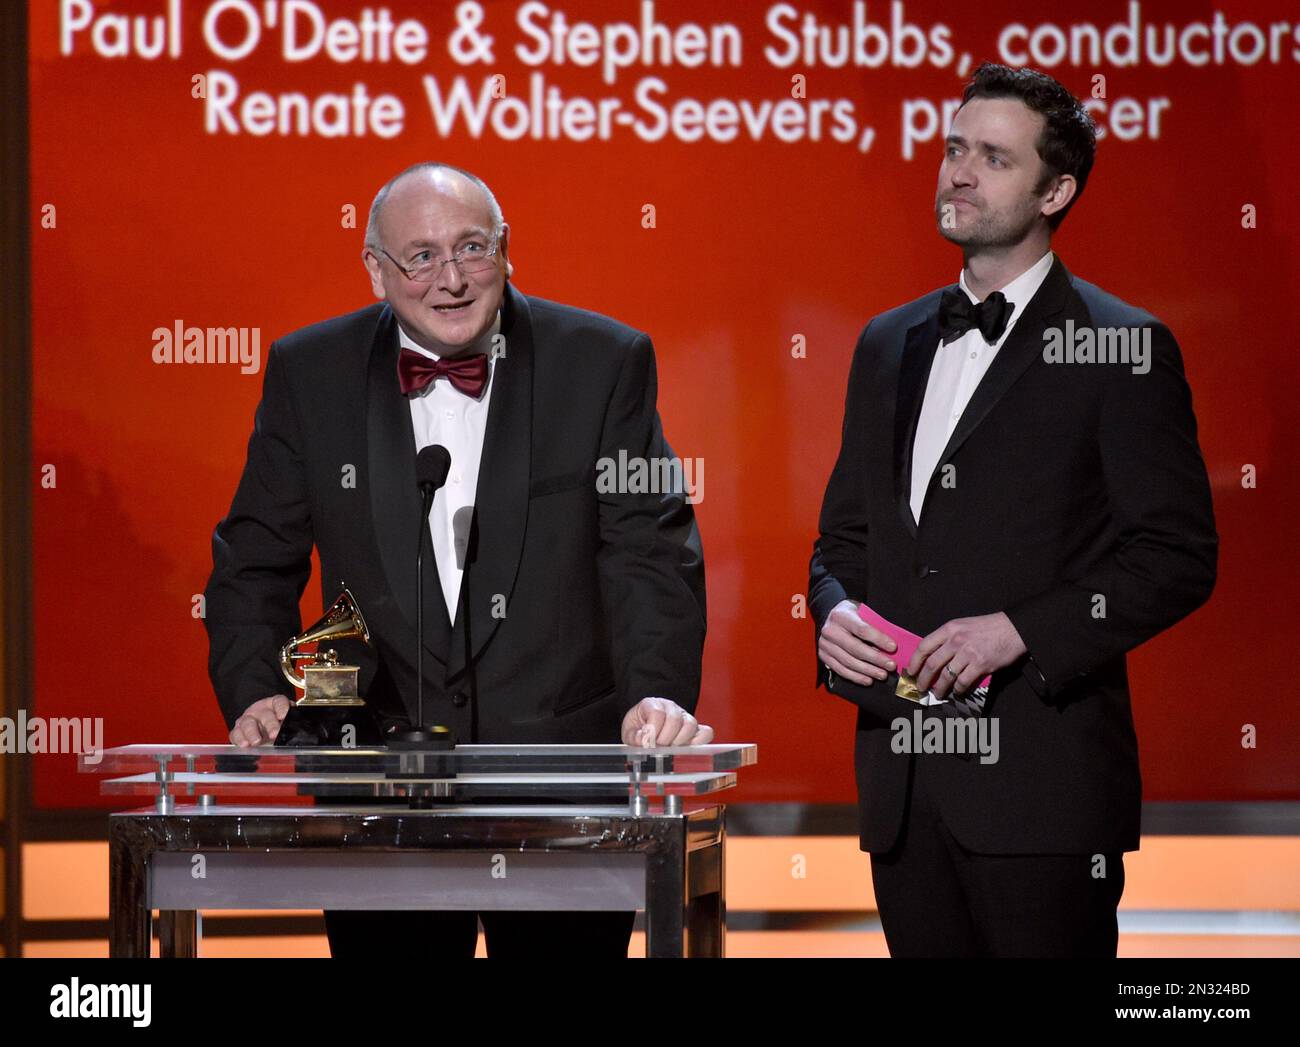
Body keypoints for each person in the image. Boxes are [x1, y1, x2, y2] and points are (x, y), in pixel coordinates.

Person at [203, 162, 711, 958]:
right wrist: (258, 685)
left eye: (471, 248)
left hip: (561, 787)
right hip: (375, 781)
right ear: (376, 270)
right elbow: (253, 557)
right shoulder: (311, 372)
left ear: (507, 250)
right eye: (422, 256)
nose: (451, 279)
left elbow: (649, 551)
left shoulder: (602, 362)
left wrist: (654, 693)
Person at [809, 63, 1217, 957]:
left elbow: (1177, 555)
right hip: (903, 786)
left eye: (994, 157)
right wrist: (831, 610)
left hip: (1045, 791)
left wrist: (1019, 630)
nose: (958, 171)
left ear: (1055, 190)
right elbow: (845, 536)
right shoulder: (887, 343)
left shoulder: (1123, 345)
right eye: (955, 148)